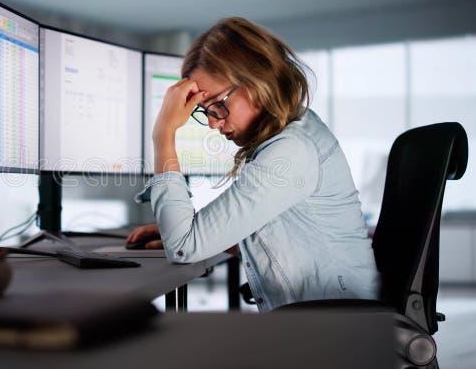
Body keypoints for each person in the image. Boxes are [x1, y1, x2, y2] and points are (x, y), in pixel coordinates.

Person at [127, 17, 380, 311]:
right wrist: (201, 234)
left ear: (258, 81)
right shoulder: (289, 135)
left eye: (219, 105)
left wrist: (164, 134)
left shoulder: (291, 151)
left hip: (337, 332)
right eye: (204, 112)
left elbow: (184, 247)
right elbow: (280, 242)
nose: (212, 123)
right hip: (324, 323)